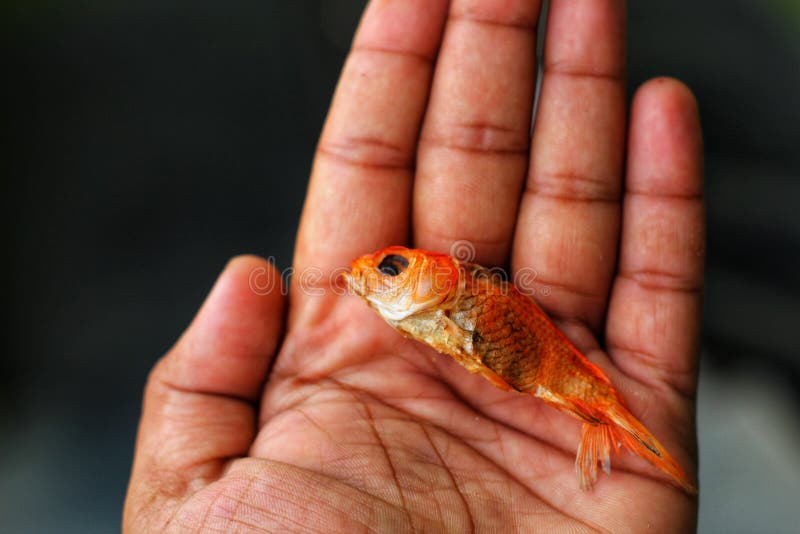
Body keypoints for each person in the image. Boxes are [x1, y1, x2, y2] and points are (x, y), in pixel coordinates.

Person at [123, 0, 703, 531]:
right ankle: (626, 435)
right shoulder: (422, 313)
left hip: (557, 372)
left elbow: (483, 347)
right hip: (544, 378)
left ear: (444, 276)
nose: (378, 275)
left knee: (594, 396)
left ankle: (630, 437)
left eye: (393, 267)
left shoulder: (459, 299)